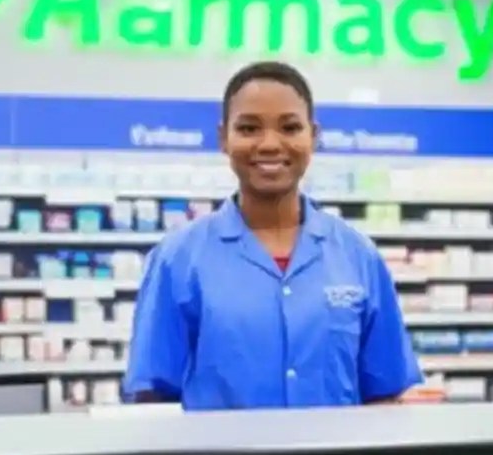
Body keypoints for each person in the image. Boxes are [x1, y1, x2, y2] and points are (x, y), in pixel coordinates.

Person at [123, 61, 422, 411]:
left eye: (290, 127)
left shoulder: (358, 256)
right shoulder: (178, 259)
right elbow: (151, 398)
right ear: (224, 138)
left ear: (314, 136)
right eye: (249, 128)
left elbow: (386, 393)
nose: (269, 144)